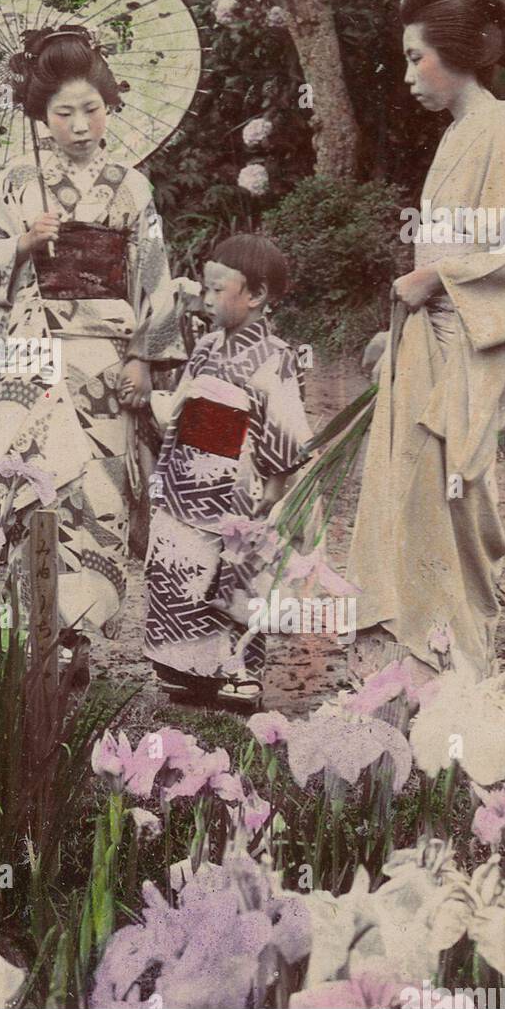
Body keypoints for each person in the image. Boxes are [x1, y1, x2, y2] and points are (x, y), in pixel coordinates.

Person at [343, 0, 505, 681]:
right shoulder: (459, 136)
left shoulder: (502, 133)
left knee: (455, 503)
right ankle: (417, 673)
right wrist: (402, 321)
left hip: (470, 347)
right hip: (431, 340)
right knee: (411, 500)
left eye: (416, 57)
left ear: (458, 54)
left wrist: (436, 281)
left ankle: (461, 675)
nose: (409, 74)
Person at [0, 25, 186, 642]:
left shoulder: (131, 186)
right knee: (33, 477)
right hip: (33, 346)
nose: (81, 125)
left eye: (92, 109)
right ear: (41, 116)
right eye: (64, 113)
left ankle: (84, 621)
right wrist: (23, 242)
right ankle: (33, 619)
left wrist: (144, 356)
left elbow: (156, 278)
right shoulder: (15, 180)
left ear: (109, 107)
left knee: (100, 486)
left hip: (105, 350)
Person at [143, 235, 311, 706]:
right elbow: (182, 403)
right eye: (207, 288)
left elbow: (284, 425)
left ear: (255, 295)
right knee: (181, 567)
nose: (209, 299)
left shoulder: (276, 355)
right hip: (187, 471)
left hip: (239, 478)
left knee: (235, 572)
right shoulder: (206, 347)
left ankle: (241, 668)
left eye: (219, 290)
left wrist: (275, 487)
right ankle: (189, 666)